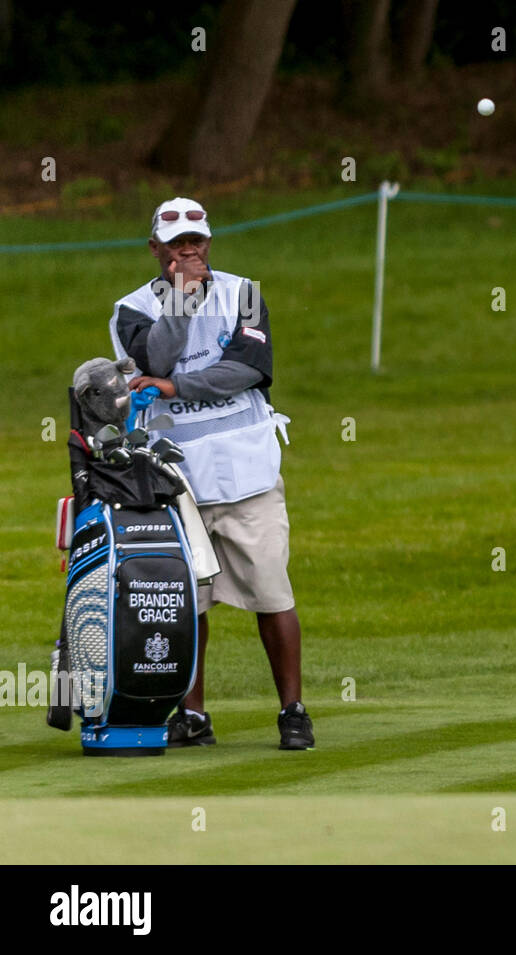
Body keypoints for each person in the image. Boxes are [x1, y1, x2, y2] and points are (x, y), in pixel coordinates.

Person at [109, 197, 315, 751]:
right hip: (177, 486)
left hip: (249, 474)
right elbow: (155, 362)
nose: (189, 250)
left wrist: (181, 387)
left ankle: (293, 711)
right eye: (176, 244)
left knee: (272, 594)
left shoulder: (244, 292)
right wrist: (180, 300)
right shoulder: (131, 309)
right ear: (155, 249)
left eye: (196, 240)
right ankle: (193, 716)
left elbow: (248, 369)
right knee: (187, 606)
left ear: (209, 241)